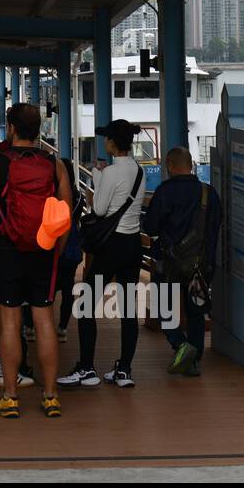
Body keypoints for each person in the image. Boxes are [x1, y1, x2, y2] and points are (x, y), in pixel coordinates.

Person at [0, 103, 70, 420]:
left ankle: (11, 396)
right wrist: (54, 250)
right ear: (39, 129)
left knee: (9, 321)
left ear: (11, 128)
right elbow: (65, 215)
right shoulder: (54, 164)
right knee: (45, 320)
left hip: (7, 249)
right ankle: (51, 396)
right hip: (44, 250)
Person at [58, 119, 146, 390]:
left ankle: (86, 368)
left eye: (106, 137)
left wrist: (96, 178)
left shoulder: (109, 173)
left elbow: (99, 210)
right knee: (129, 309)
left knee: (86, 305)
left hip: (111, 246)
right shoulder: (139, 171)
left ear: (111, 142)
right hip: (133, 246)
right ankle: (124, 370)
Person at [143, 146, 221, 376]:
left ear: (170, 166)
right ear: (192, 164)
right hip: (201, 264)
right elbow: (215, 226)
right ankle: (193, 359)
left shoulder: (165, 192)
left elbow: (150, 226)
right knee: (195, 310)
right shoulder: (209, 193)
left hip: (169, 263)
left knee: (162, 306)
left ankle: (179, 344)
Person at [52, 157, 86, 343]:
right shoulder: (78, 195)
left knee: (41, 283)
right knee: (68, 287)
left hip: (53, 242)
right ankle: (62, 328)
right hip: (72, 244)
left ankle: (31, 326)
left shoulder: (52, 193)